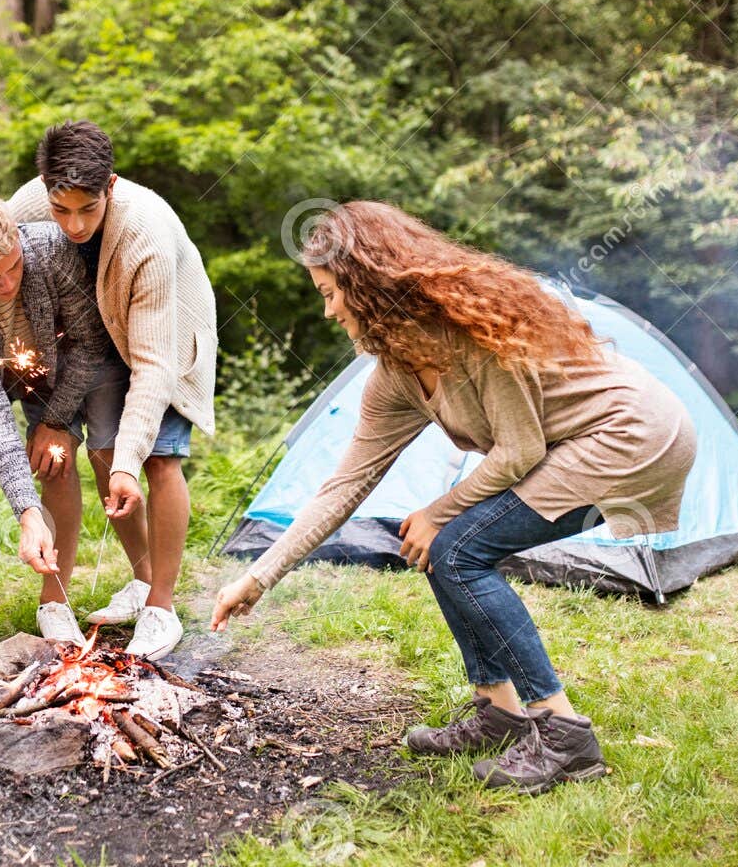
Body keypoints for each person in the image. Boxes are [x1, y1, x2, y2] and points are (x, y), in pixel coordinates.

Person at [211, 200, 697, 794]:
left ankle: (565, 735)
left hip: (633, 435)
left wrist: (439, 511)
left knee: (458, 546)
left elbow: (518, 450)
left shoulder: (472, 340)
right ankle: (497, 713)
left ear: (366, 287)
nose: (329, 309)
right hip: (582, 444)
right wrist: (258, 578)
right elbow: (344, 485)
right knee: (448, 545)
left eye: (331, 292)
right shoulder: (394, 375)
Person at [0, 122, 216, 661]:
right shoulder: (27, 216)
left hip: (160, 337)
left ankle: (159, 602)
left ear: (110, 186)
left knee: (150, 459)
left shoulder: (143, 235)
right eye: (61, 210)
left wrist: (100, 446)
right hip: (41, 350)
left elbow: (150, 363)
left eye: (87, 209)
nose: (74, 225)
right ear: (44, 193)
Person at [0, 187, 111, 662]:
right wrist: (26, 513)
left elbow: (89, 346)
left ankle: (55, 601)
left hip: (54, 373)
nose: (7, 282)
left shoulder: (51, 249)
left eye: (13, 266)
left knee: (57, 461)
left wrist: (55, 422)